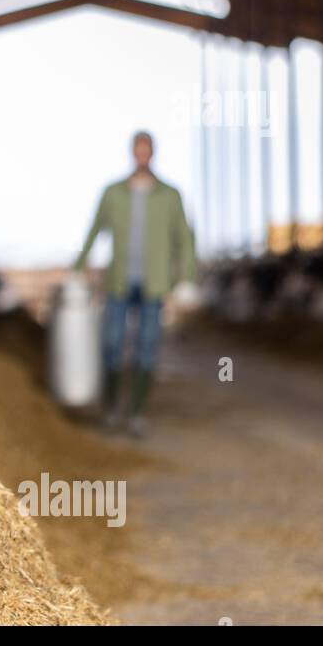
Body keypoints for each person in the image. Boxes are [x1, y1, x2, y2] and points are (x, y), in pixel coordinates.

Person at [74, 131, 195, 436]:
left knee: (147, 345)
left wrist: (186, 279)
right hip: (119, 282)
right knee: (112, 343)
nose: (142, 156)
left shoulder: (169, 195)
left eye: (147, 151)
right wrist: (78, 266)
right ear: (132, 153)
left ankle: (138, 412)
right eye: (138, 151)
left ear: (152, 154)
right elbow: (94, 230)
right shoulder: (113, 192)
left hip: (155, 284)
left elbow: (185, 237)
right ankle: (113, 408)